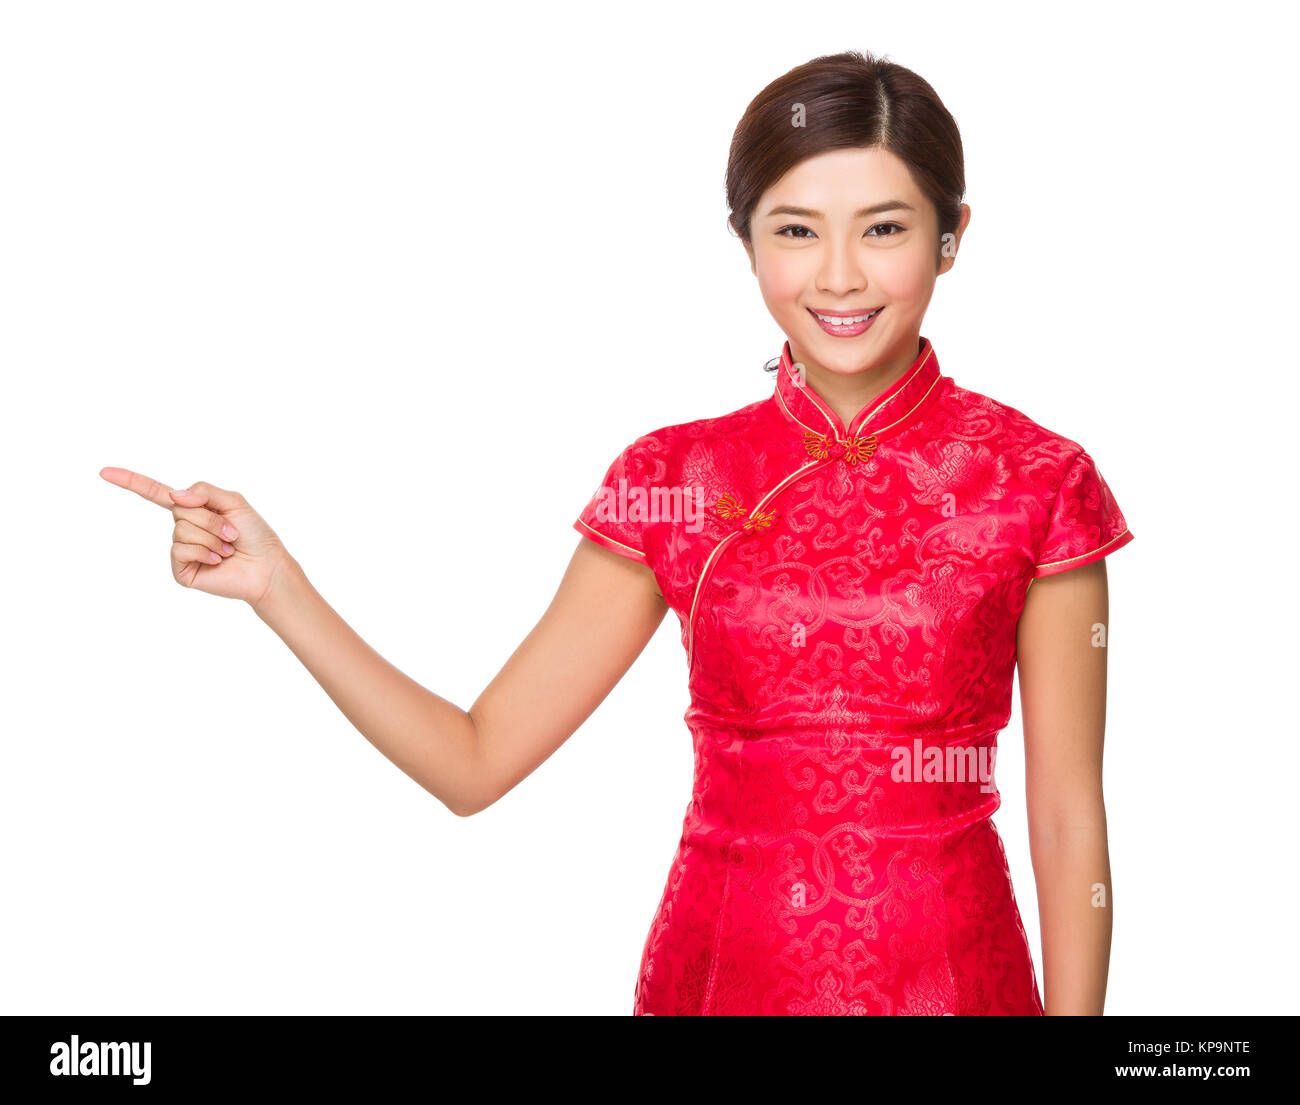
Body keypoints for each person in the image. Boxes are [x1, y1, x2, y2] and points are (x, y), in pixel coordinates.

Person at [101, 48, 1133, 1016]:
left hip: (959, 985)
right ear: (745, 241)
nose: (839, 278)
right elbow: (476, 761)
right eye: (794, 229)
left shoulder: (1037, 479)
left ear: (952, 235)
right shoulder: (675, 481)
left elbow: (1063, 814)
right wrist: (282, 589)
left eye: (883, 227)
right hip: (718, 977)